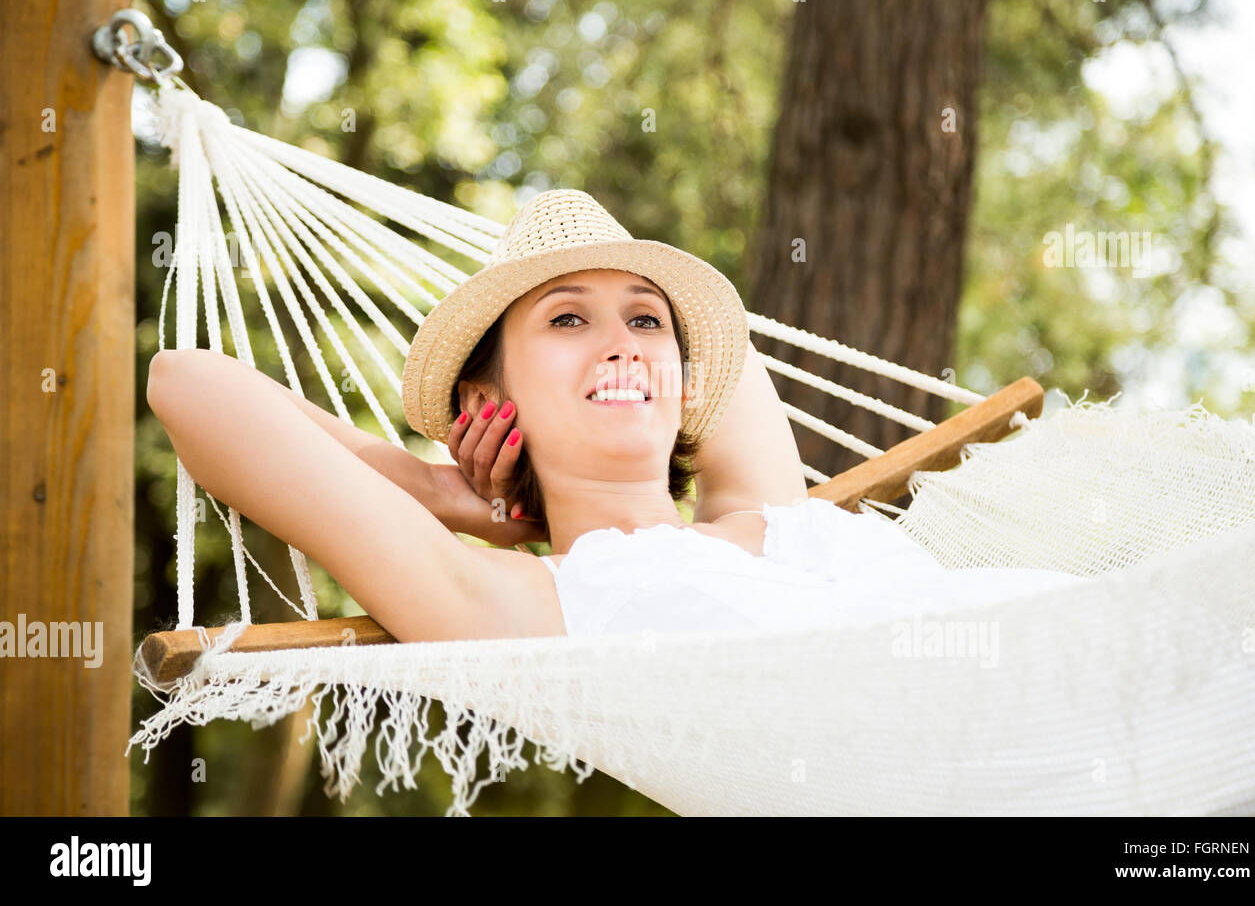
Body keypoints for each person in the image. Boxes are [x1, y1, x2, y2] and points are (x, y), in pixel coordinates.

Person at [146, 189, 1084, 645]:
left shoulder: (767, 509)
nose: (625, 342)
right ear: (487, 403)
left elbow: (725, 361)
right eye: (567, 319)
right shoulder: (527, 605)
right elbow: (185, 384)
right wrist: (445, 493)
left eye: (645, 317)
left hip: (1093, 640)